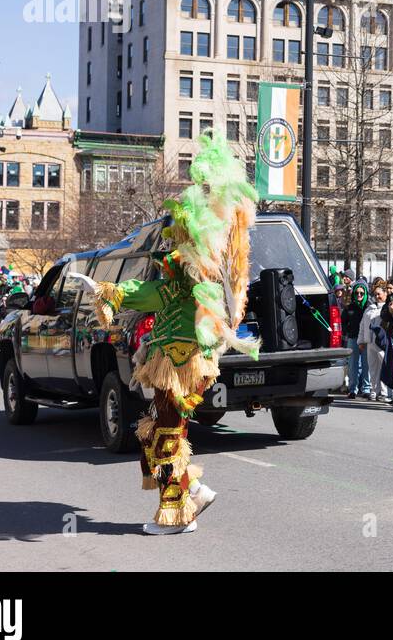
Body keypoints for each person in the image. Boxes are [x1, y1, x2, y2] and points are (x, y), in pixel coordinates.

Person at [71, 131, 257, 534]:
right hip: (173, 356)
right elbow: (155, 294)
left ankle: (176, 515)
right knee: (157, 429)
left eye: (178, 232)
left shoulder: (198, 275)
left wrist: (112, 291)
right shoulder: (187, 273)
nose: (171, 239)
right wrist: (111, 291)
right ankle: (195, 489)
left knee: (166, 432)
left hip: (180, 360)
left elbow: (158, 293)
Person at [359, 283, 388, 402]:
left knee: (383, 368)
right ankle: (374, 390)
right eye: (375, 294)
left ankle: (384, 392)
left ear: (385, 294)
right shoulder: (369, 309)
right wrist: (361, 341)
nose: (377, 296)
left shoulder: (387, 308)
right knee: (372, 368)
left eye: (379, 294)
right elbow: (362, 326)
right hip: (370, 342)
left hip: (382, 343)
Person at [342, 281, 370, 398]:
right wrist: (346, 331)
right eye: (357, 293)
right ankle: (353, 389)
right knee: (353, 364)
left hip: (366, 339)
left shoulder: (369, 307)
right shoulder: (349, 307)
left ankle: (366, 389)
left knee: (366, 364)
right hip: (353, 338)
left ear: (365, 294)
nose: (359, 295)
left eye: (362, 293)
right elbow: (343, 321)